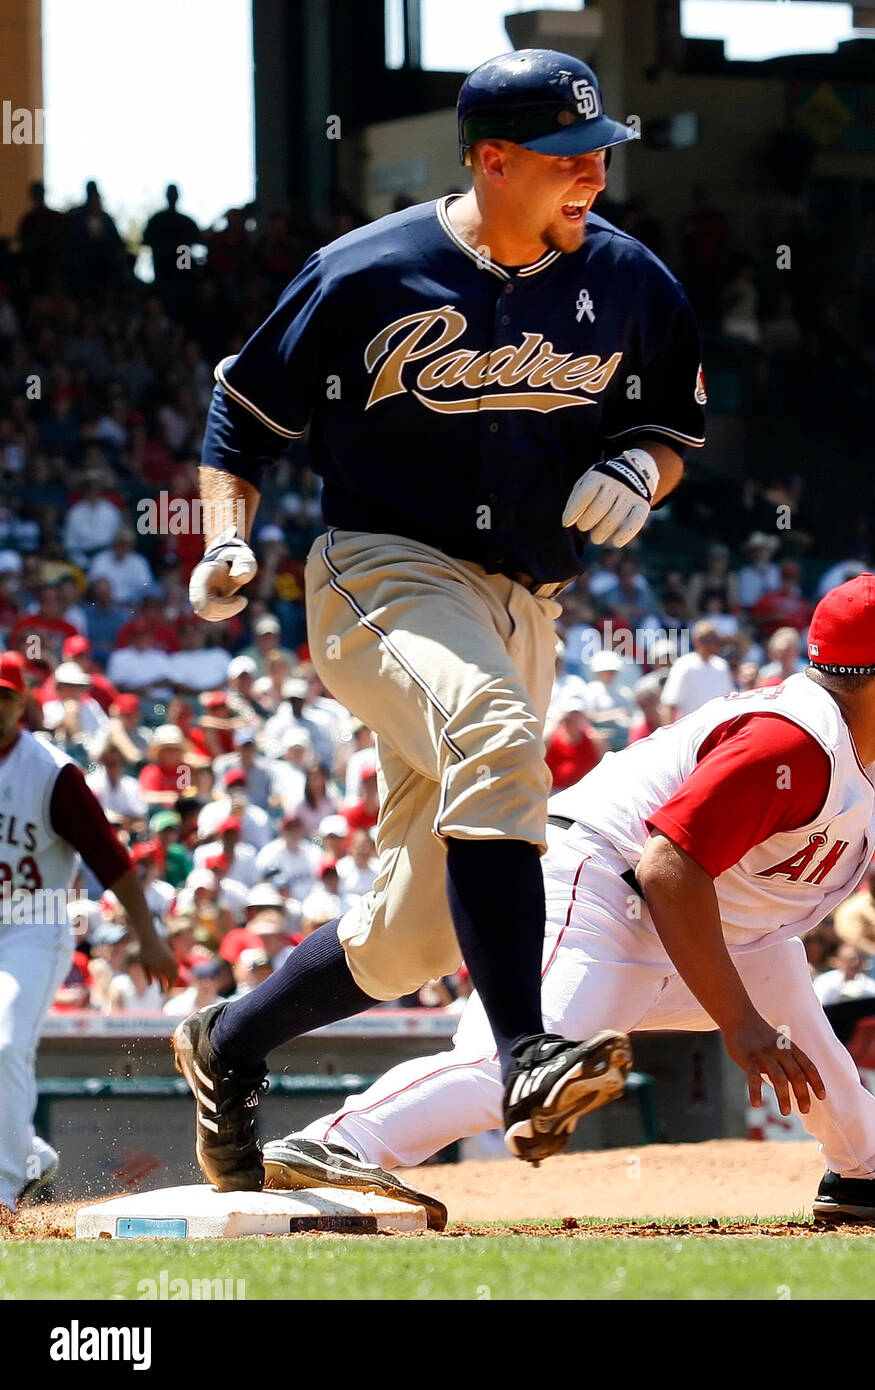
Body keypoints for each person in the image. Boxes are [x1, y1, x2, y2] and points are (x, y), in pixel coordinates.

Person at [262, 565, 875, 1223]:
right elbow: (668, 866)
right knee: (534, 1061)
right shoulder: (790, 746)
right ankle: (340, 1146)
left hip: (724, 915)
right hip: (604, 884)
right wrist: (737, 1023)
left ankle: (871, 1173)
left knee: (808, 1034)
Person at [177, 49, 703, 1189]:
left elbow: (671, 425)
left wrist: (641, 468)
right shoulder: (366, 271)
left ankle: (229, 1040)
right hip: (384, 573)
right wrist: (226, 537)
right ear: (494, 159)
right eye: (570, 157)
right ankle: (526, 1054)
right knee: (496, 735)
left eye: (602, 150)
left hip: (527, 600)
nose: (596, 173)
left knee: (413, 936)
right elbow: (242, 416)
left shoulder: (631, 281)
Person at [0, 650, 177, 1226]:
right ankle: (29, 1156)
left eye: (5, 695)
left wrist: (148, 935)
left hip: (34, 925)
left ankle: (3, 1191)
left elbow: (111, 860)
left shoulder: (50, 771)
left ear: (23, 701)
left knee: (5, 1042)